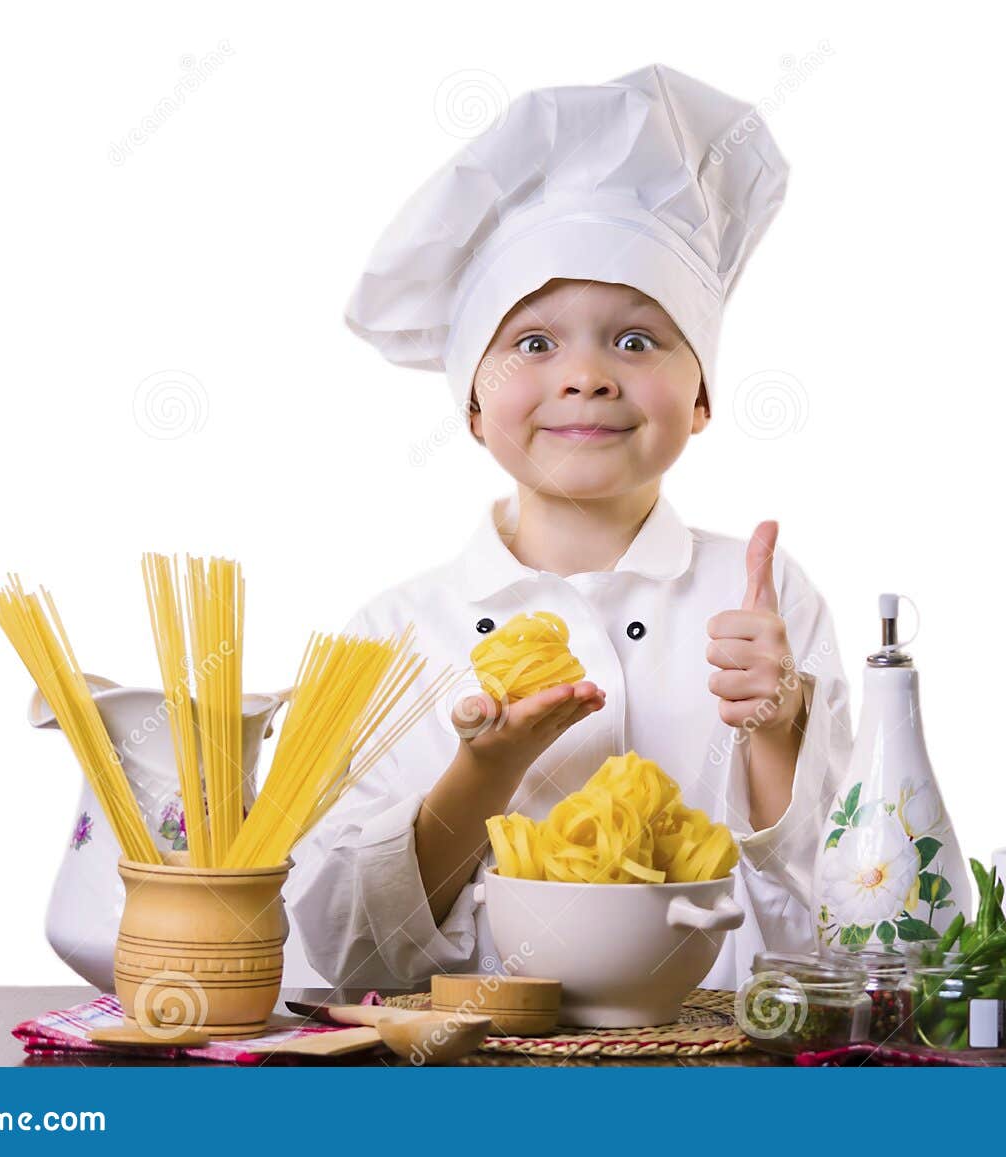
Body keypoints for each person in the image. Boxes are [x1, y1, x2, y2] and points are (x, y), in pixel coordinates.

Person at [290, 63, 852, 992]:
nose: (586, 375)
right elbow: (351, 954)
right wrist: (487, 771)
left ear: (703, 391)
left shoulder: (767, 604)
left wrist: (780, 727)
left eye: (636, 339)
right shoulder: (387, 638)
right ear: (473, 403)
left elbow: (840, 906)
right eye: (533, 342)